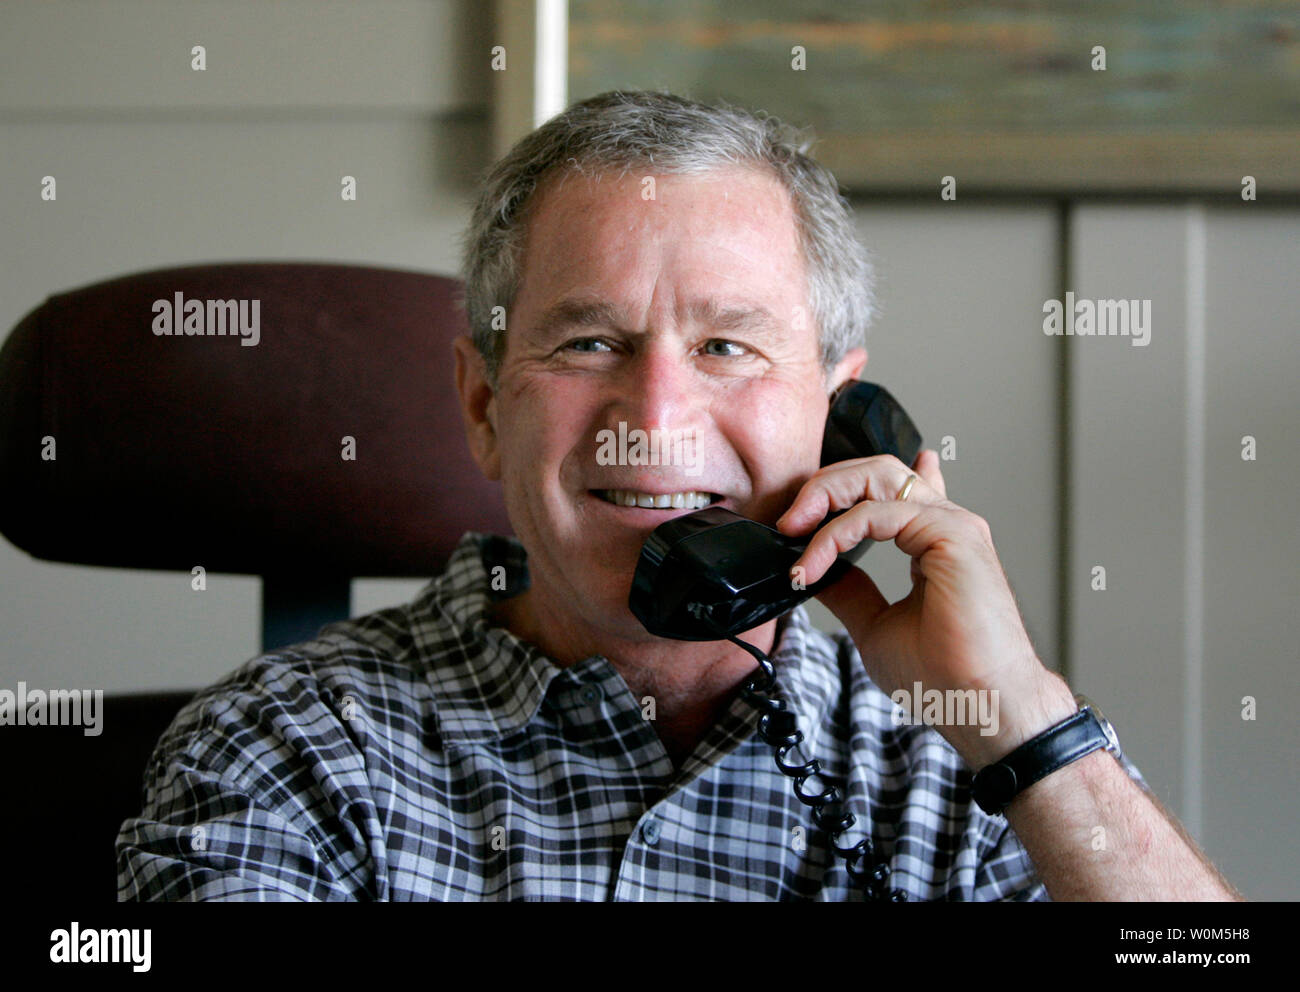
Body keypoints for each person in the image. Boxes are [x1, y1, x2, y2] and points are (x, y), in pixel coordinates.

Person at [117, 90, 1239, 901]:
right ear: (481, 406)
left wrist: (1020, 723)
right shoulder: (287, 746)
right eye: (590, 339)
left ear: (841, 415)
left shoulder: (960, 752)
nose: (654, 412)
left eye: (727, 346)